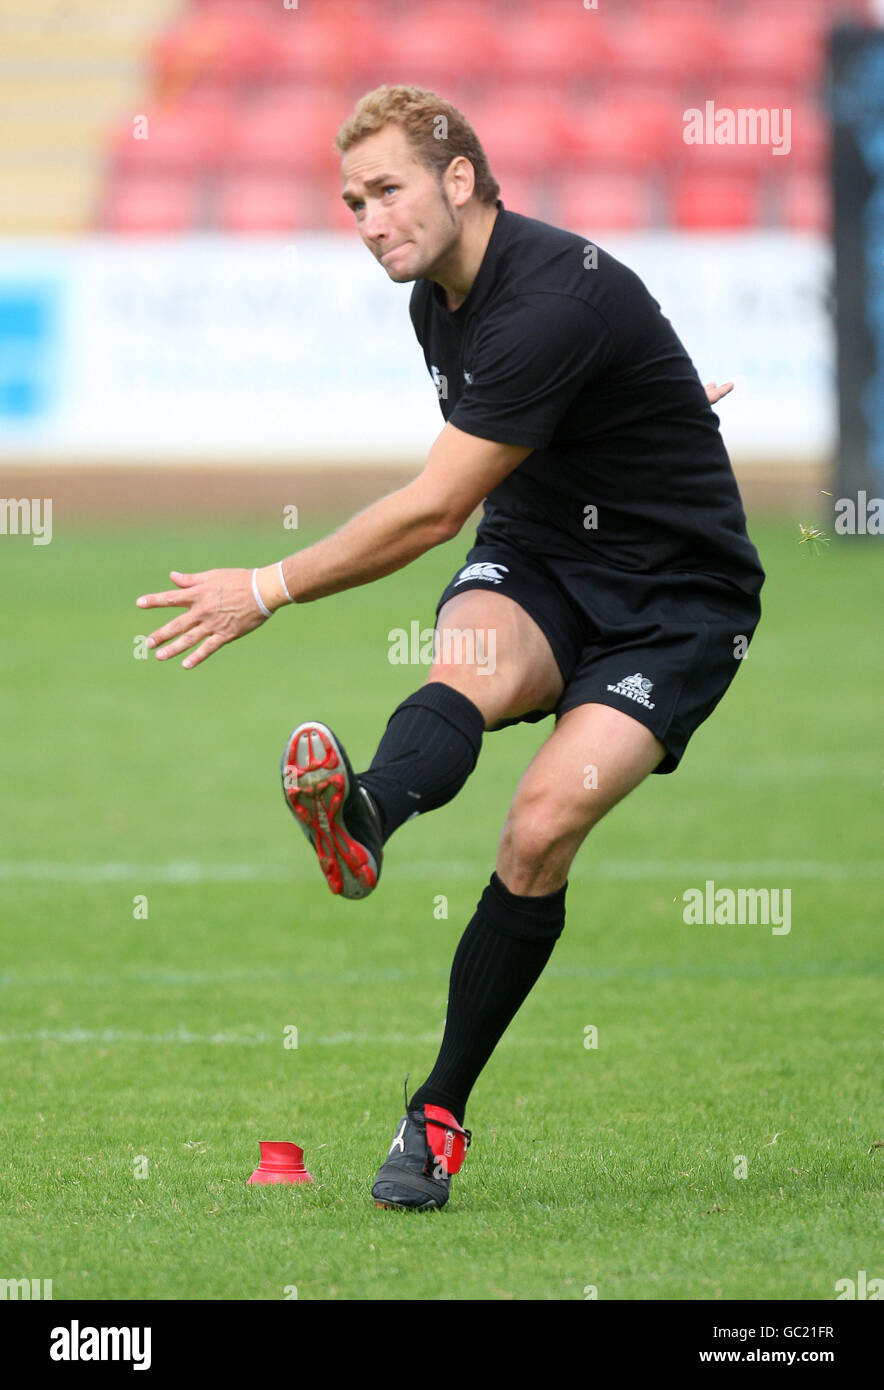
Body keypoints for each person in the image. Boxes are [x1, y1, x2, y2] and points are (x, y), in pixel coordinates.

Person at [136, 85, 764, 1212]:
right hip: (540, 551)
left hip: (675, 599)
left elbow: (431, 510)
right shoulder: (438, 300)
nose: (367, 219)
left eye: (385, 191)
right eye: (350, 202)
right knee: (464, 670)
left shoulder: (546, 298)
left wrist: (265, 586)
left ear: (459, 180)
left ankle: (435, 1111)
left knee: (536, 830)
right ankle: (363, 817)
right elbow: (541, 435)